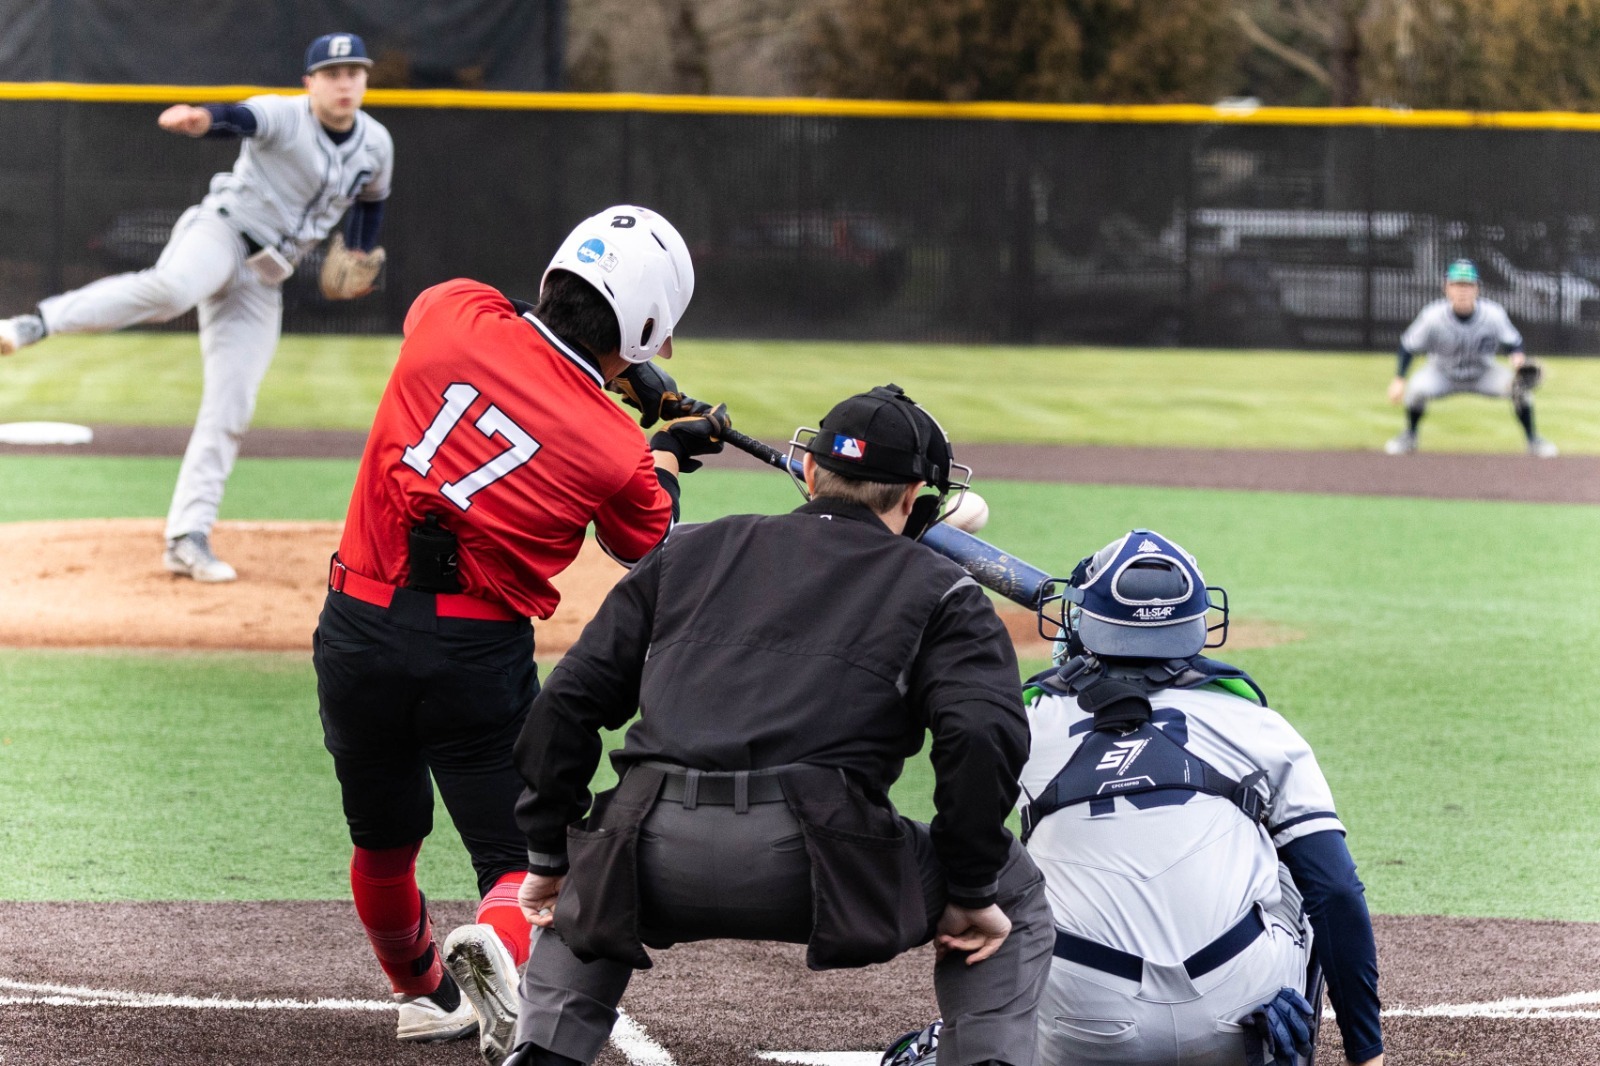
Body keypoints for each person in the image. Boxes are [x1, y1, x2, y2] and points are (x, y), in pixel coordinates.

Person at [504, 385, 1054, 1066]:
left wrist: (549, 856)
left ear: (811, 471)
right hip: (824, 864)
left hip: (651, 849)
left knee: (581, 887)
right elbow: (981, 737)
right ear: (917, 498)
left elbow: (563, 706)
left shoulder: (684, 552)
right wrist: (970, 887)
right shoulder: (941, 587)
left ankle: (544, 1053)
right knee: (1010, 887)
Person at [312, 204, 727, 1059]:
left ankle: (420, 994)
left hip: (355, 630)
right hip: (473, 655)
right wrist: (665, 448)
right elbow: (648, 540)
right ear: (646, 328)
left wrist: (615, 367)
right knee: (522, 860)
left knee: (383, 843)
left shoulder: (452, 311)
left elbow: (515, 331)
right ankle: (498, 947)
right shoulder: (613, 446)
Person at [0, 32, 395, 581]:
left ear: (365, 79)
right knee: (172, 291)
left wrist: (358, 249)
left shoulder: (376, 143)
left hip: (264, 280)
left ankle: (187, 536)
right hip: (222, 233)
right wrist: (201, 120)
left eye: (353, 72)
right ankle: (35, 322)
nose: (344, 83)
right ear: (310, 82)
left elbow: (371, 201)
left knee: (232, 407)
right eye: (332, 74)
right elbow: (237, 118)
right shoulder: (285, 115)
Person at [1018, 529, 1383, 1066]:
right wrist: (1366, 1053)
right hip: (1231, 1016)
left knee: (1009, 870)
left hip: (1081, 1025)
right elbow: (1338, 892)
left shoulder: (1025, 724)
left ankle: (979, 1047)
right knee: (1299, 869)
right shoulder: (1254, 724)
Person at [1385, 258, 1556, 458]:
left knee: (1521, 390)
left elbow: (1514, 342)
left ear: (1477, 288)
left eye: (1467, 285)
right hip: (1442, 373)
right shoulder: (1432, 316)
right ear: (1447, 288)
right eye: (1457, 285)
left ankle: (1533, 440)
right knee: (1416, 389)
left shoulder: (1493, 314)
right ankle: (1410, 437)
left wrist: (1517, 359)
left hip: (1483, 373)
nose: (1462, 290)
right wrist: (1399, 379)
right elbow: (1408, 346)